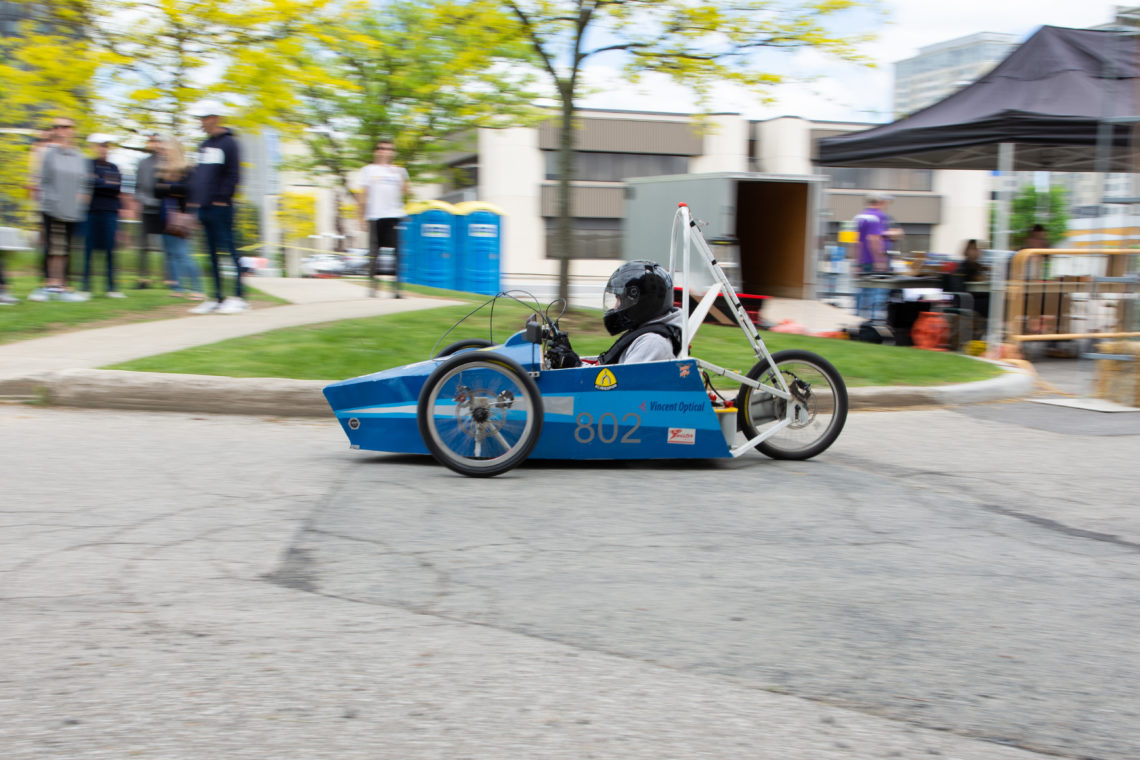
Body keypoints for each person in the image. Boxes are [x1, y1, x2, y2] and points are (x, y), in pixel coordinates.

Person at [186, 99, 246, 314]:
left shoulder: (230, 143)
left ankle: (238, 297)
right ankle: (216, 298)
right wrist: (194, 200)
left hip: (221, 207)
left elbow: (234, 175)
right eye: (200, 119)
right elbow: (199, 175)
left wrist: (223, 197)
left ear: (215, 118)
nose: (201, 122)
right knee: (210, 254)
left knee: (229, 250)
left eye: (204, 118)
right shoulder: (203, 146)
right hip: (203, 207)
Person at [30, 117, 90, 302]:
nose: (61, 130)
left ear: (73, 130)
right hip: (52, 207)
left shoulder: (80, 156)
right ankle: (49, 285)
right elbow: (44, 180)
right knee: (52, 246)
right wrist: (51, 200)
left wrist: (81, 199)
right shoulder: (50, 154)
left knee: (67, 247)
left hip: (72, 209)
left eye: (65, 127)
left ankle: (64, 286)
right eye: (57, 127)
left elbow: (84, 183)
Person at [596, 260, 684, 365]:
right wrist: (576, 364)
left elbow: (623, 380)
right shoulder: (646, 337)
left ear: (639, 301)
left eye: (619, 299)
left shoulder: (652, 343)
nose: (615, 307)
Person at [356, 139, 409, 298]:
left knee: (397, 254)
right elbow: (362, 194)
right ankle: (373, 287)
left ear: (392, 152)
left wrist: (401, 177)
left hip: (394, 216)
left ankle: (396, 290)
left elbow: (407, 191)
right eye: (381, 148)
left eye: (388, 149)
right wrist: (360, 217)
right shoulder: (368, 170)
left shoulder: (399, 171)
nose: (384, 151)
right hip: (375, 216)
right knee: (375, 253)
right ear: (376, 151)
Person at [154, 135, 205, 300]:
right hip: (164, 216)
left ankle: (198, 288)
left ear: (174, 151)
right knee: (170, 253)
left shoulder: (188, 169)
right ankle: (178, 287)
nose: (164, 153)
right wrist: (172, 189)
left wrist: (168, 188)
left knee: (182, 253)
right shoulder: (162, 170)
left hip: (181, 216)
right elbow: (156, 191)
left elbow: (188, 190)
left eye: (166, 150)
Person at [81, 134, 124, 298]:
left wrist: (98, 181)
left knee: (110, 250)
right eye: (100, 145)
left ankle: (111, 287)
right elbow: (87, 183)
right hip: (91, 212)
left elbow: (116, 187)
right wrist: (103, 183)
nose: (103, 149)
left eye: (105, 146)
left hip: (110, 213)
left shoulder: (114, 167)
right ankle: (86, 287)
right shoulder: (87, 165)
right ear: (94, 147)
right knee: (88, 250)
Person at [853, 192, 900, 321]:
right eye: (886, 202)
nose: (887, 205)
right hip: (874, 262)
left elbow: (857, 241)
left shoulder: (861, 216)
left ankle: (859, 320)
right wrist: (880, 261)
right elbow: (873, 239)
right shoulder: (878, 216)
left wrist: (856, 263)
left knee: (863, 290)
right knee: (878, 291)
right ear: (880, 202)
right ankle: (874, 322)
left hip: (863, 260)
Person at [133, 133, 164, 289]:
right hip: (147, 209)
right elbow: (137, 189)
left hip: (164, 211)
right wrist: (147, 201)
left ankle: (169, 280)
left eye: (157, 141)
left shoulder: (168, 163)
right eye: (152, 141)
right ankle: (143, 280)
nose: (154, 144)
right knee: (143, 246)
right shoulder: (143, 164)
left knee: (166, 246)